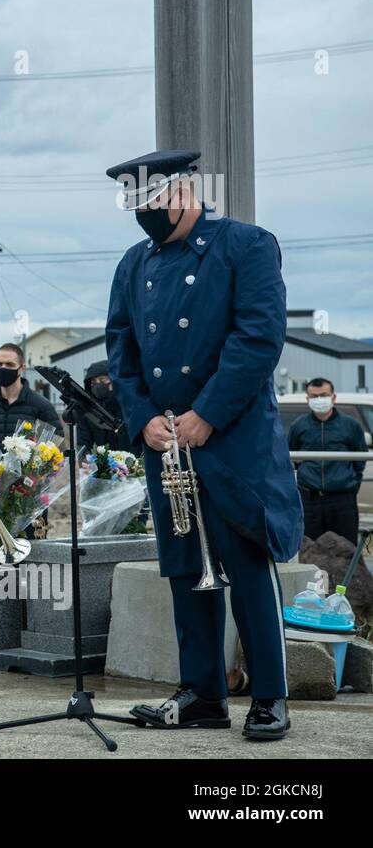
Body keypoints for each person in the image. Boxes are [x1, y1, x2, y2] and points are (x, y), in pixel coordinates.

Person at [105, 148, 301, 741]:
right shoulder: (132, 264)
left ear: (186, 193)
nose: (143, 213)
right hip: (166, 443)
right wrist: (143, 420)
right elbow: (122, 351)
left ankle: (269, 695)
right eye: (136, 204)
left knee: (245, 565)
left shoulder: (246, 244)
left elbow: (258, 338)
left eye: (152, 201)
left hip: (231, 439)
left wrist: (206, 414)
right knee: (186, 569)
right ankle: (201, 695)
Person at [288, 377, 367, 545]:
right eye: (314, 396)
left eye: (323, 395)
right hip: (309, 500)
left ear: (333, 397)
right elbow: (292, 457)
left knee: (346, 549)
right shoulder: (299, 426)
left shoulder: (350, 425)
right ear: (307, 399)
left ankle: (347, 573)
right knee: (310, 550)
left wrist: (351, 484)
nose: (319, 400)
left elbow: (360, 460)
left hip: (342, 499)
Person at [0, 342, 61, 441]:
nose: (3, 368)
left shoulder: (42, 406)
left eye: (9, 364)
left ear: (22, 368)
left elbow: (56, 446)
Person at [65, 358, 132, 452]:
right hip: (106, 463)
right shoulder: (89, 411)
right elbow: (83, 443)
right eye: (93, 383)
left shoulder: (128, 404)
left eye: (102, 380)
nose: (98, 385)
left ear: (113, 380)